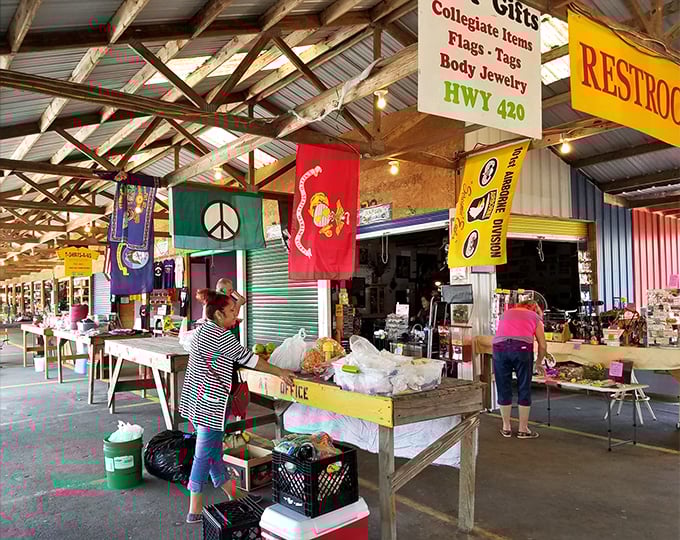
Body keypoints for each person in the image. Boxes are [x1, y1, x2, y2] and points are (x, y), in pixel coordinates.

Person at [179, 289, 295, 524]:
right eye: (231, 312)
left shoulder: (205, 329)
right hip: (209, 402)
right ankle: (195, 507)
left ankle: (234, 491)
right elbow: (250, 359)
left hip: (196, 398)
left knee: (212, 449)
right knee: (204, 453)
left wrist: (237, 305)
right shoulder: (221, 337)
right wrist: (279, 372)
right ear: (219, 315)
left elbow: (230, 337)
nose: (236, 316)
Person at [492, 300, 547, 439]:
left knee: (503, 386)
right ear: (535, 309)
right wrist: (539, 362)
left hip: (499, 348)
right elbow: (543, 345)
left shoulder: (506, 313)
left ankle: (506, 427)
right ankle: (523, 429)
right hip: (521, 349)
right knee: (524, 386)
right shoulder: (535, 317)